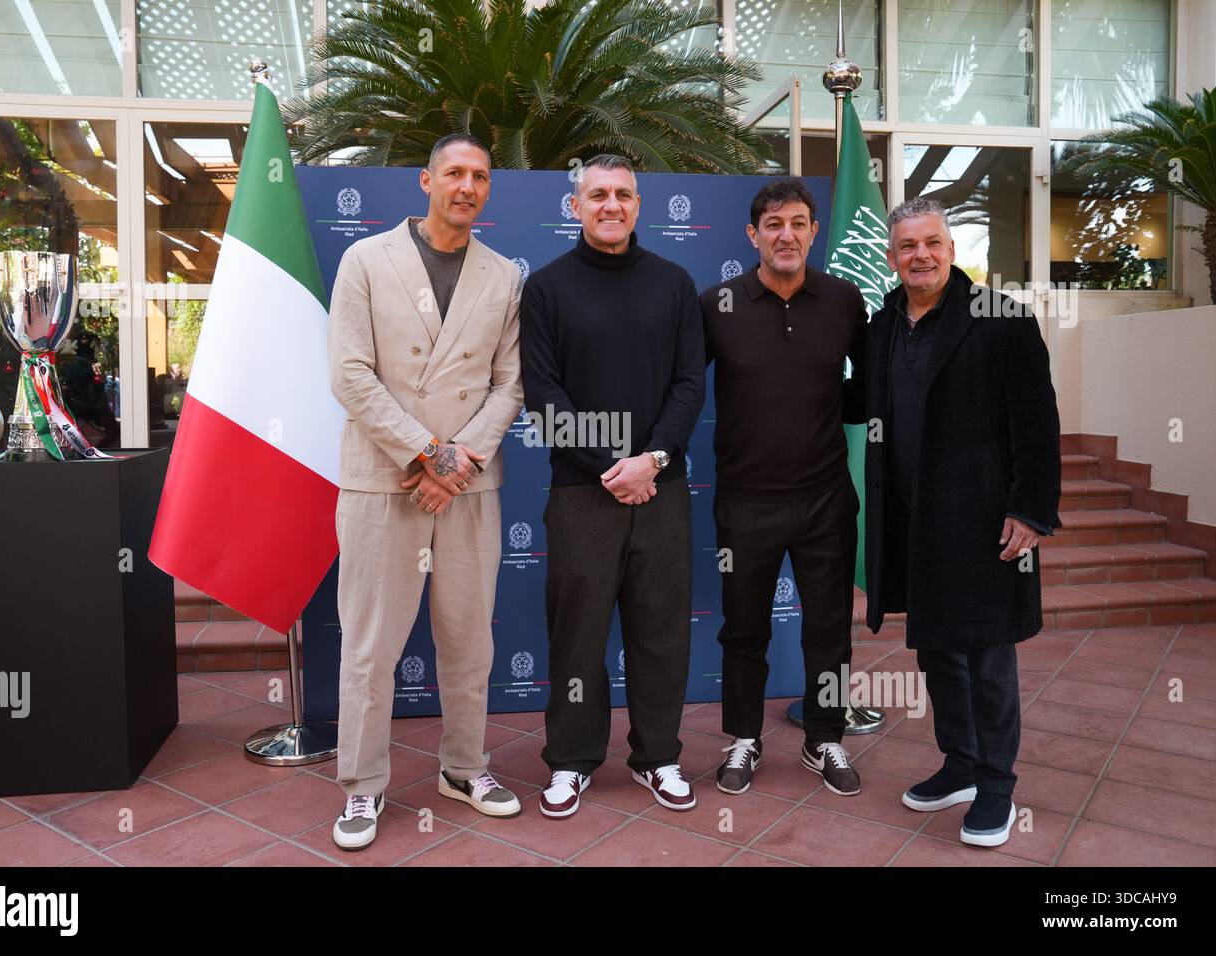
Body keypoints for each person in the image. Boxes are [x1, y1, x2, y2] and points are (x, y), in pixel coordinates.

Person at [327, 133, 525, 850]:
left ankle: (465, 769)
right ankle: (362, 786)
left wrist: (459, 461)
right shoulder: (365, 261)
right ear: (426, 180)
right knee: (371, 644)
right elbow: (349, 373)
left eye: (478, 176)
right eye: (454, 173)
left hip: (468, 486)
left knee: (470, 641)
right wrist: (427, 453)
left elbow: (511, 383)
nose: (466, 186)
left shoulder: (503, 276)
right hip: (385, 480)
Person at [864, 196, 1061, 847]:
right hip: (911, 521)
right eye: (907, 246)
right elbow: (856, 397)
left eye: (931, 242)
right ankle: (960, 763)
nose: (920, 255)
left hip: (983, 521)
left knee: (986, 654)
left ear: (950, 248)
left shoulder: (1001, 319)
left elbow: (1037, 424)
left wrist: (1030, 510)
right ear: (892, 258)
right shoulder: (883, 323)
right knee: (937, 648)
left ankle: (997, 783)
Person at [520, 154, 706, 818]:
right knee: (577, 636)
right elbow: (544, 395)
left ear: (638, 205)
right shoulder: (544, 290)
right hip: (581, 495)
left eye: (623, 194)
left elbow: (690, 385)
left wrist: (651, 459)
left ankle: (659, 757)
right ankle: (571, 761)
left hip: (661, 489)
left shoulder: (674, 283)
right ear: (575, 207)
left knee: (660, 632)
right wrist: (614, 464)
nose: (610, 204)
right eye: (596, 194)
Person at [700, 178, 868, 797]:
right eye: (773, 224)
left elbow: (870, 384)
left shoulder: (845, 300)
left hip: (827, 497)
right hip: (745, 501)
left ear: (813, 231)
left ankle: (825, 738)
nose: (786, 235)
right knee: (744, 629)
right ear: (753, 235)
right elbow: (685, 389)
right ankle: (743, 738)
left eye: (798, 223)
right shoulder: (716, 303)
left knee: (828, 626)